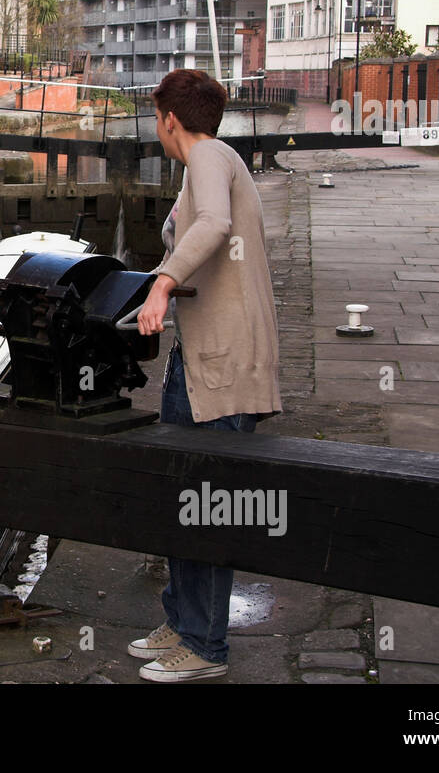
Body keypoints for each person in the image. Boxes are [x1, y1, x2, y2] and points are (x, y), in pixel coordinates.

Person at [130, 69, 282, 683]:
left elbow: (214, 223)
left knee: (207, 508)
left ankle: (205, 646)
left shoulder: (210, 158)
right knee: (181, 499)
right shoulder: (212, 162)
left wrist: (162, 284)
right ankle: (182, 620)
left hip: (222, 365)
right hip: (197, 360)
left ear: (169, 118)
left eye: (157, 117)